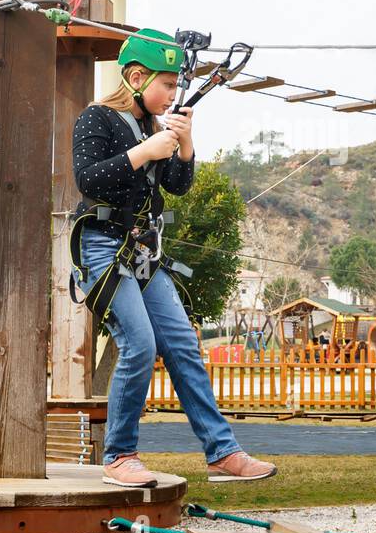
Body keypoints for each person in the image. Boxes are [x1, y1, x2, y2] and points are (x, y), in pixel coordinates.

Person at [70, 27, 277, 488]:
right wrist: (143, 152)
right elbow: (89, 181)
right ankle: (120, 455)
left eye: (175, 86)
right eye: (166, 84)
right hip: (102, 248)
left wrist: (183, 146)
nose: (172, 94)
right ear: (137, 77)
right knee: (140, 344)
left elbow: (177, 186)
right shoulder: (96, 118)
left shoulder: (152, 128)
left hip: (143, 252)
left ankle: (222, 454)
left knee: (183, 344)